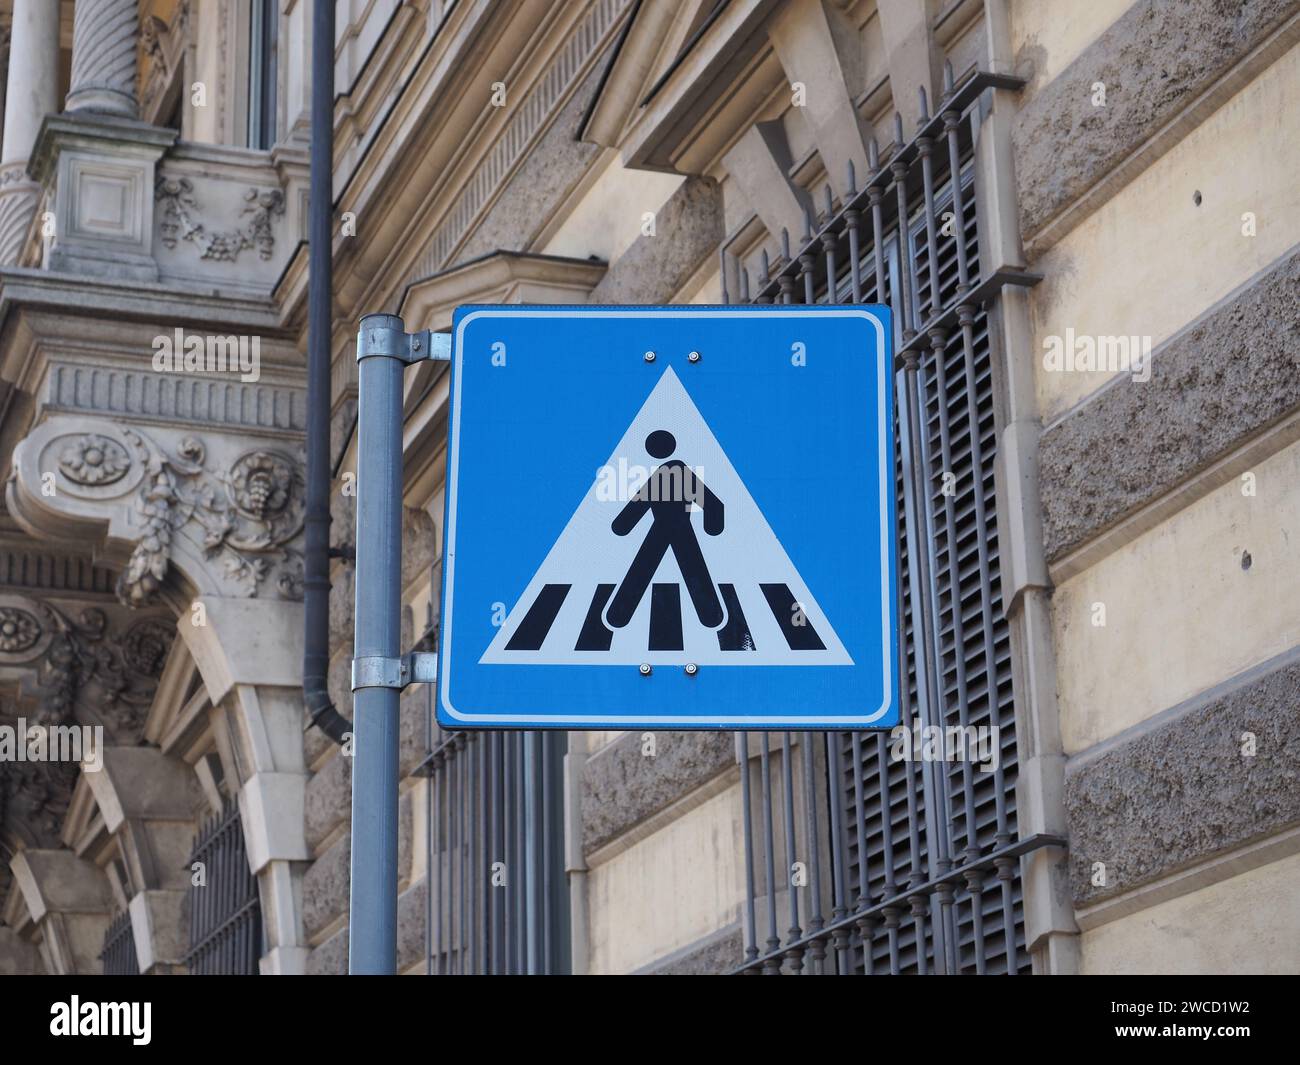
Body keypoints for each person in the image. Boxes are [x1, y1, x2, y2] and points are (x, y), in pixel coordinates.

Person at [606, 429, 725, 629]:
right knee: (692, 568)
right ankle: (712, 616)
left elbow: (638, 504)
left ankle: (618, 615)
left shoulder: (670, 474)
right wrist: (712, 525)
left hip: (667, 528)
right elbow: (713, 504)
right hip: (674, 528)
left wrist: (623, 525)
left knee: (644, 568)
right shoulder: (675, 473)